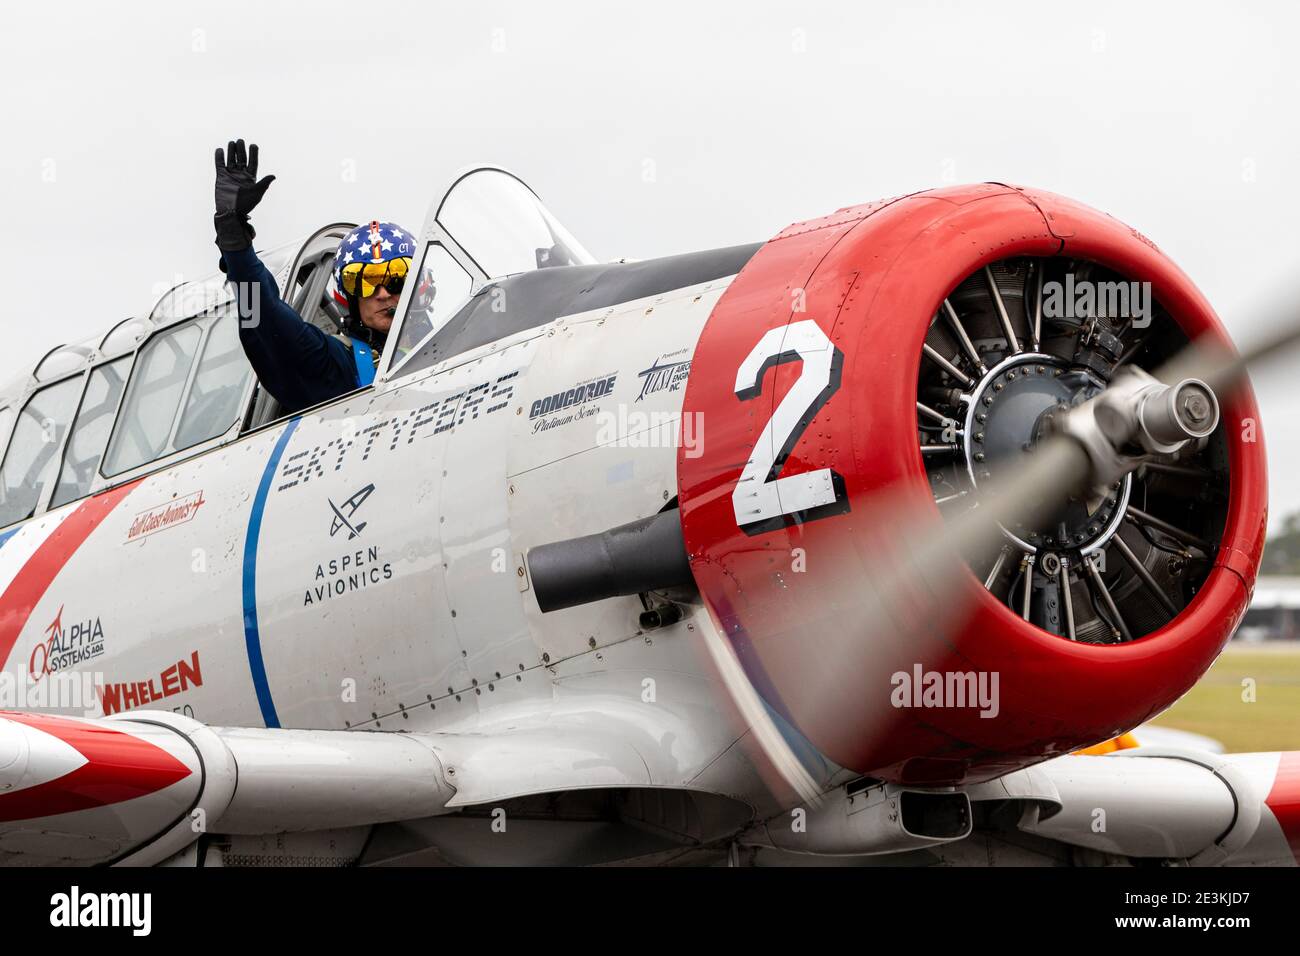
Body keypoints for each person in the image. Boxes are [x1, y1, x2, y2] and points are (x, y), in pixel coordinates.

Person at [212, 138, 417, 414]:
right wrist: (234, 240)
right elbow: (260, 315)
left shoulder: (453, 342)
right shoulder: (336, 365)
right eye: (364, 281)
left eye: (396, 280)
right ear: (350, 296)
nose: (382, 293)